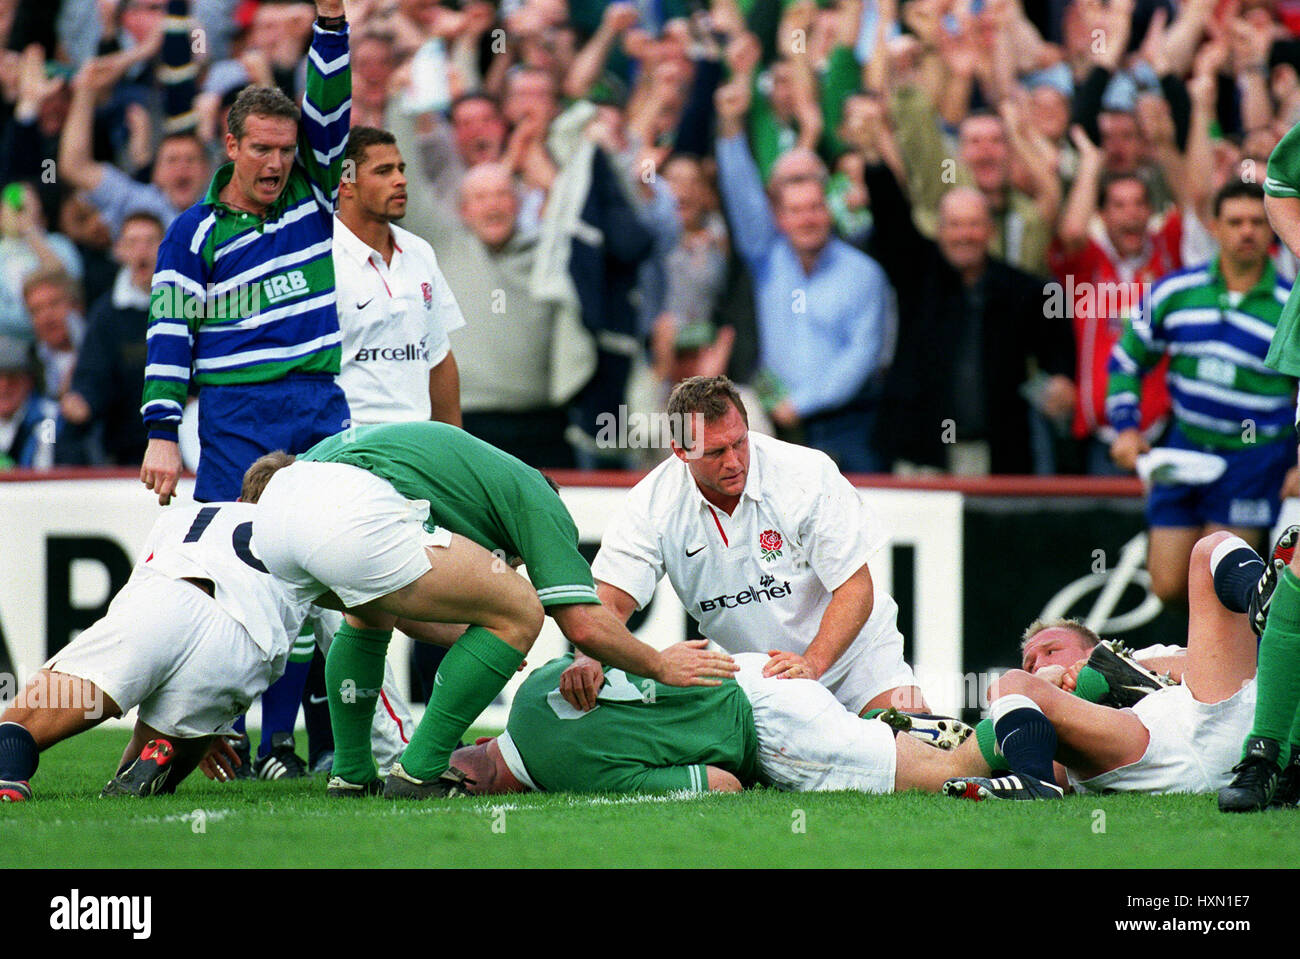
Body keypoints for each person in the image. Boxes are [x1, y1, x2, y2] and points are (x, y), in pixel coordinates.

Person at [247, 420, 739, 799]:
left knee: (367, 613)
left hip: (277, 517)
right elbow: (583, 625)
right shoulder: (539, 502)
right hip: (348, 517)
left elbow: (394, 598)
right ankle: (420, 771)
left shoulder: (464, 479)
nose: (520, 563)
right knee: (520, 610)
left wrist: (464, 635)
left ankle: (352, 774)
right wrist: (659, 664)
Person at [139, 0, 353, 777]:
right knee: (241, 577)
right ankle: (229, 733)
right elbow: (170, 333)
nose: (275, 164)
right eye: (260, 149)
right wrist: (163, 427)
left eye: (286, 150)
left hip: (322, 406)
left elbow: (332, 111)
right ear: (228, 146)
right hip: (235, 414)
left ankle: (306, 745)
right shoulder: (191, 234)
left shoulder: (314, 195)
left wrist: (331, 26)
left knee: (331, 572)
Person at [569, 375, 926, 719]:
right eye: (715, 452)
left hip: (857, 662)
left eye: (739, 442)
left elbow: (855, 588)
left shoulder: (806, 473)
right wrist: (588, 658)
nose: (734, 462)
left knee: (919, 745)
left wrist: (813, 664)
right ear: (680, 450)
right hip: (762, 679)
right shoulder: (651, 504)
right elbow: (611, 602)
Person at [0, 501, 315, 801]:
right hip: (239, 644)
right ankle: (158, 752)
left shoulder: (192, 514)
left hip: (167, 597)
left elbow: (141, 583)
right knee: (155, 756)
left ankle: (8, 776)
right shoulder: (303, 544)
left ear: (241, 496)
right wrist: (214, 723)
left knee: (22, 722)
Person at [947, 528, 1280, 802]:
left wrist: (1118, 667)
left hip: (1218, 718)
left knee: (1212, 545)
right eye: (1032, 661)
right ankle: (1033, 785)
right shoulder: (1035, 707)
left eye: (1052, 651)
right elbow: (1057, 766)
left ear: (1096, 648)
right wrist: (1051, 687)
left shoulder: (1146, 653)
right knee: (1010, 685)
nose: (1040, 663)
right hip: (1146, 754)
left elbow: (1220, 666)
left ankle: (1271, 602)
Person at [448, 651, 1055, 797]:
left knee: (947, 773)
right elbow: (605, 646)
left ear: (478, 787)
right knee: (909, 743)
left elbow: (722, 785)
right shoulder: (529, 690)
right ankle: (1049, 721)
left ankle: (1042, 724)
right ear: (475, 741)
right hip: (754, 666)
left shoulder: (567, 774)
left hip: (772, 730)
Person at [1107, 181, 1297, 604]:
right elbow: (1124, 360)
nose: (1246, 231)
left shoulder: (1291, 305)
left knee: (1221, 587)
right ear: (1213, 226)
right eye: (1235, 221)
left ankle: (1224, 671)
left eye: (1256, 222)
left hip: (1254, 458)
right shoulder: (1175, 292)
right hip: (1185, 449)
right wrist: (1125, 427)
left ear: (1272, 230)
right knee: (1168, 583)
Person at [713, 77, 896, 473]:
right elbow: (743, 197)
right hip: (777, 428)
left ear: (828, 209)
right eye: (795, 210)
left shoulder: (864, 273)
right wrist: (730, 130)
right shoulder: (766, 258)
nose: (807, 219)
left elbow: (861, 355)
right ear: (779, 217)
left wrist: (802, 403)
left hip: (849, 426)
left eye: (815, 207)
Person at [333, 126, 463, 428]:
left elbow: (438, 357)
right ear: (346, 184)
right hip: (345, 445)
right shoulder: (318, 258)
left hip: (414, 444)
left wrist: (455, 446)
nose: (400, 180)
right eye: (383, 171)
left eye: (401, 169)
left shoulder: (420, 252)